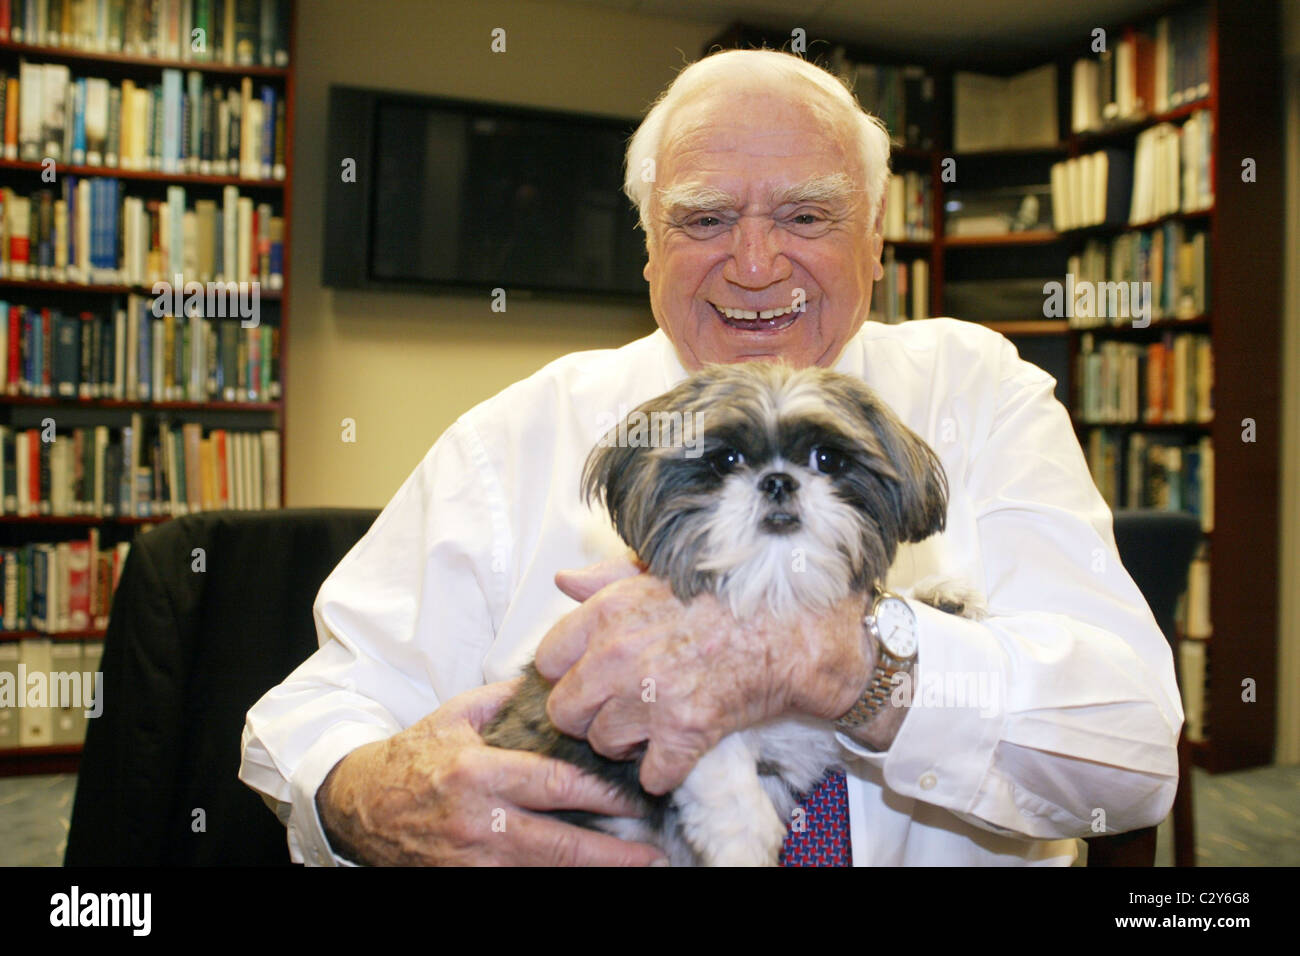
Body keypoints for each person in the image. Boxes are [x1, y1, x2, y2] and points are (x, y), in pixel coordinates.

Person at [239, 49, 1182, 866]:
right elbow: (317, 712)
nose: (757, 262)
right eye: (704, 220)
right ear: (646, 247)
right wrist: (368, 800)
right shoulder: (518, 437)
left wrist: (846, 665)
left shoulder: (980, 395)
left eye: (807, 217)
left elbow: (1133, 752)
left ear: (877, 240)